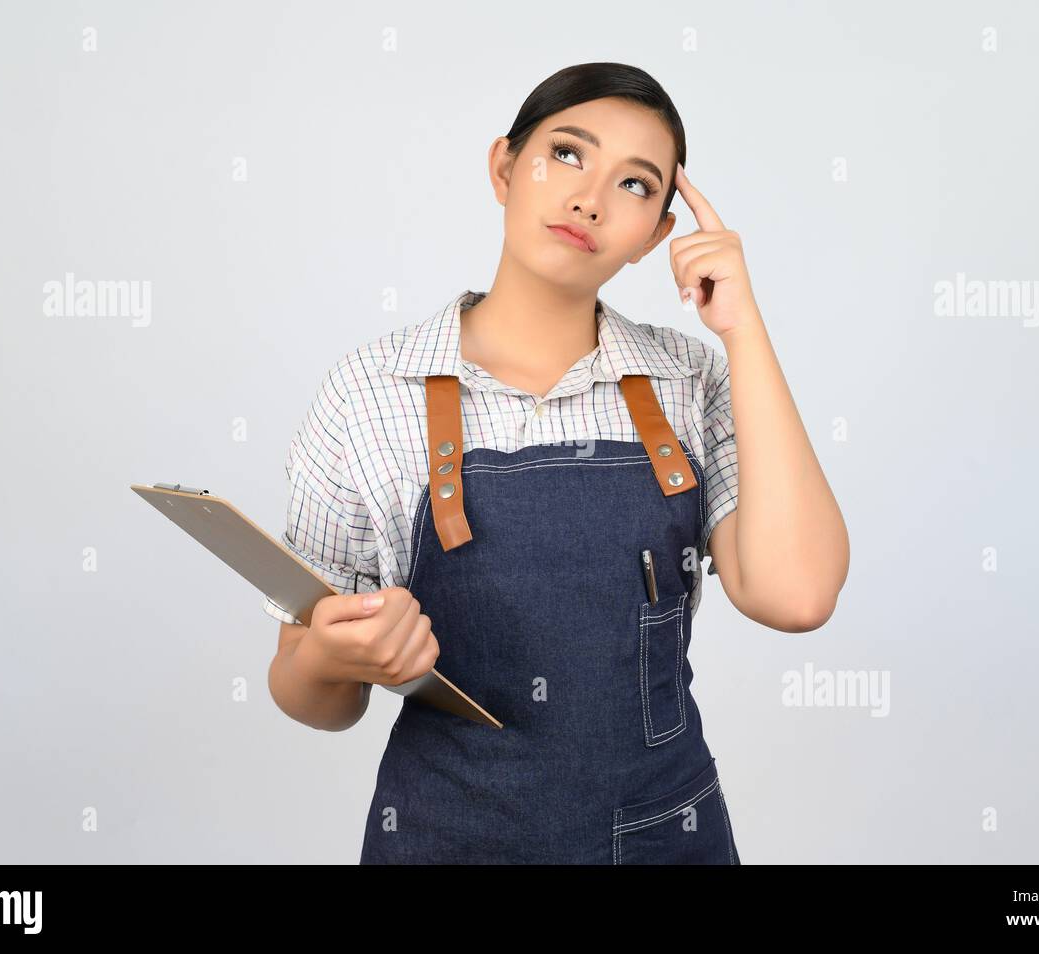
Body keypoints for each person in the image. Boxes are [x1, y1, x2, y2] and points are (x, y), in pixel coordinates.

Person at [263, 62, 850, 864]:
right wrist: (334, 655)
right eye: (568, 154)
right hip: (445, 840)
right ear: (504, 167)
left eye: (636, 186)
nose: (590, 199)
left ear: (656, 237)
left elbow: (798, 594)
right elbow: (306, 690)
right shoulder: (369, 394)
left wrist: (743, 330)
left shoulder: (692, 380)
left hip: (663, 838)